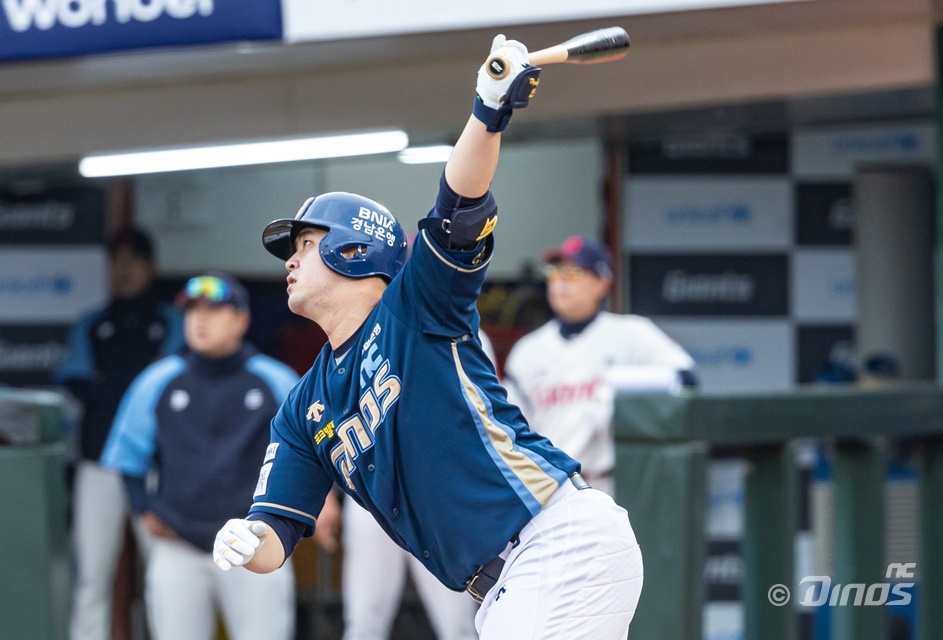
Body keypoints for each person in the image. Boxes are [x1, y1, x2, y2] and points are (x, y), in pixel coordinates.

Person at [212, 34, 644, 640]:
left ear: (354, 250)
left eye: (305, 245)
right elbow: (276, 535)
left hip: (554, 542)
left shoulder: (414, 308)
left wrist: (488, 109)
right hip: (502, 583)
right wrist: (244, 540)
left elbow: (459, 206)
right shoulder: (302, 408)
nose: (289, 261)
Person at [100, 272, 298, 640]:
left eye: (214, 309)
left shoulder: (276, 380)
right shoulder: (158, 380)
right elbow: (127, 458)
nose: (200, 319)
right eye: (192, 310)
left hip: (254, 541)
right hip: (178, 543)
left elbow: (311, 455)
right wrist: (144, 509)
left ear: (242, 319)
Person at [312, 331, 498, 640]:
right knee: (363, 621)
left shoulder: (459, 323)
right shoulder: (352, 331)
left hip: (438, 496)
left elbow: (484, 415)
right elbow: (333, 423)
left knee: (457, 625)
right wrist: (325, 493)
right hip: (372, 494)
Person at [53, 227, 185, 640]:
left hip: (156, 465)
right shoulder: (93, 324)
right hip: (99, 462)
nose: (124, 270)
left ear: (150, 266)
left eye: (133, 261)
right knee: (92, 577)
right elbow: (76, 381)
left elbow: (172, 382)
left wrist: (112, 384)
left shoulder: (170, 321)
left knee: (166, 573)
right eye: (117, 261)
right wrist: (130, 383)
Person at [504, 235, 697, 496]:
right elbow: (508, 430)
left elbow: (685, 377)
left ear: (601, 282)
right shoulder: (527, 351)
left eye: (573, 272)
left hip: (613, 484)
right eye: (555, 271)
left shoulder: (631, 333)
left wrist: (619, 389)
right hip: (549, 488)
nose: (560, 281)